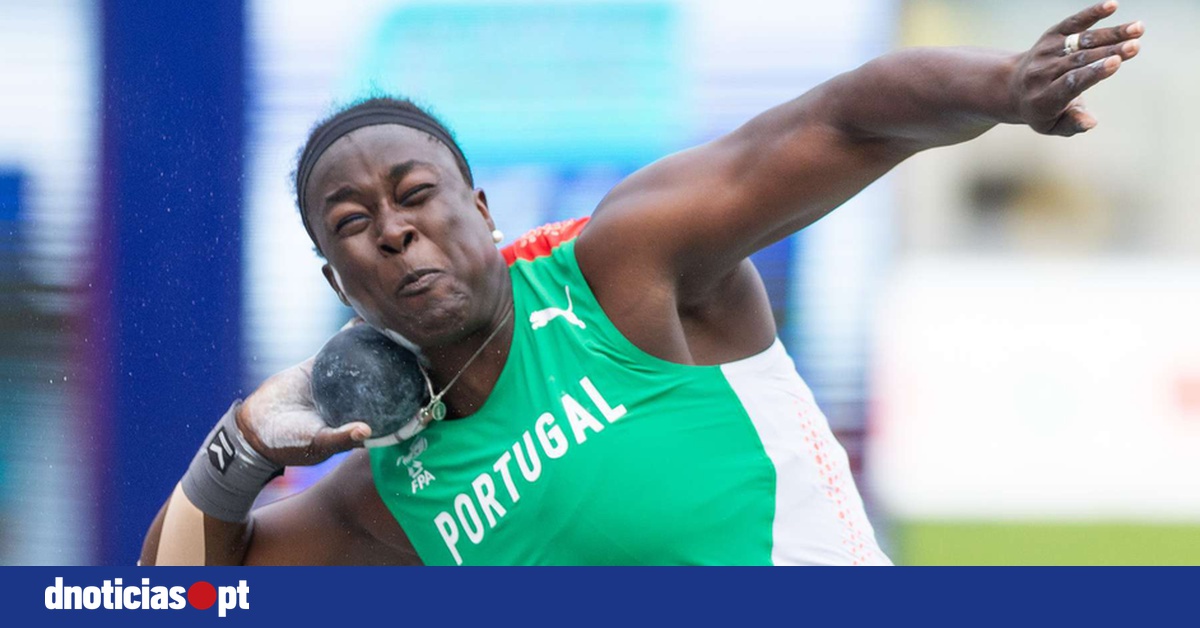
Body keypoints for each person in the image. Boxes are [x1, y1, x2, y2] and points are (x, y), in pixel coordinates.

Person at [141, 2, 1143, 566]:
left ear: (482, 210)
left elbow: (840, 119)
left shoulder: (623, 269)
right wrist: (237, 449)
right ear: (338, 279)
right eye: (355, 224)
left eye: (416, 195)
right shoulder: (386, 494)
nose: (395, 229)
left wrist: (1003, 89)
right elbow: (169, 597)